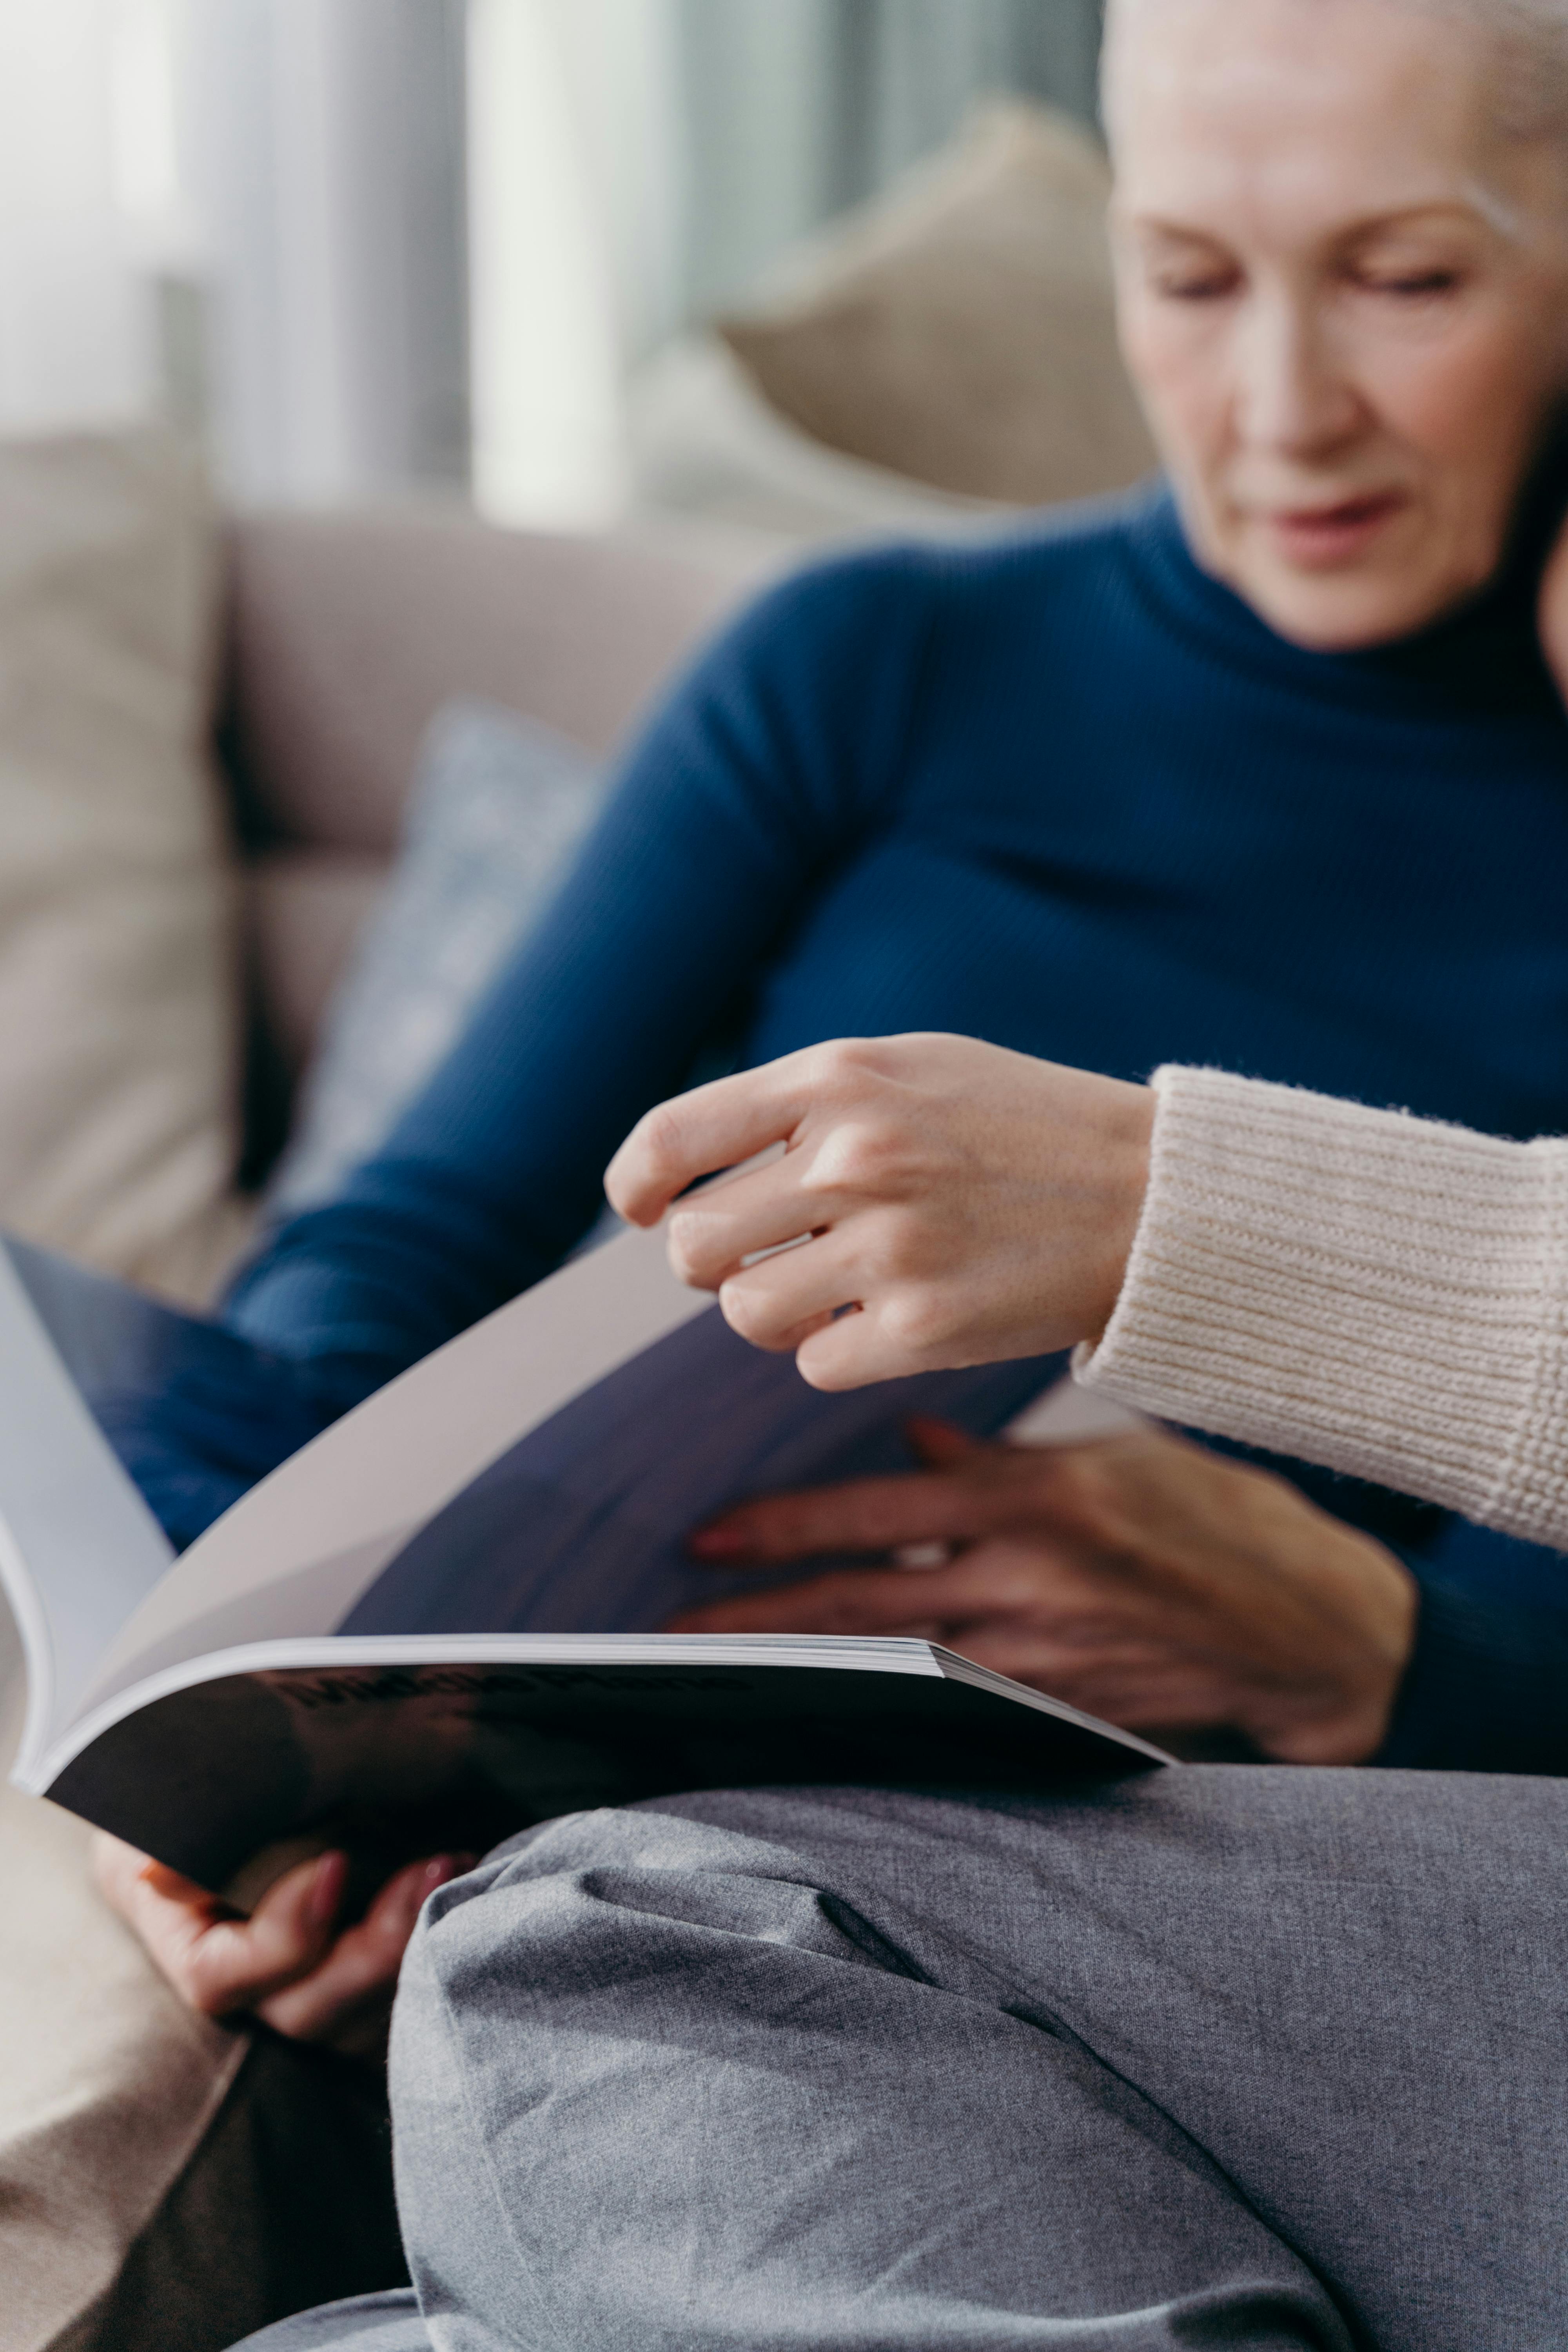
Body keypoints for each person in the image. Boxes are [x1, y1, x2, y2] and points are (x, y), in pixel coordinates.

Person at [100, 0, 1568, 2069]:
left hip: (1253, 1893)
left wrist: (1385, 1652)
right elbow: (399, 1243)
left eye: (1407, 279)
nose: (1282, 407)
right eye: (1187, 275)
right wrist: (230, 1734)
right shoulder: (878, 657)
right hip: (660, 1818)